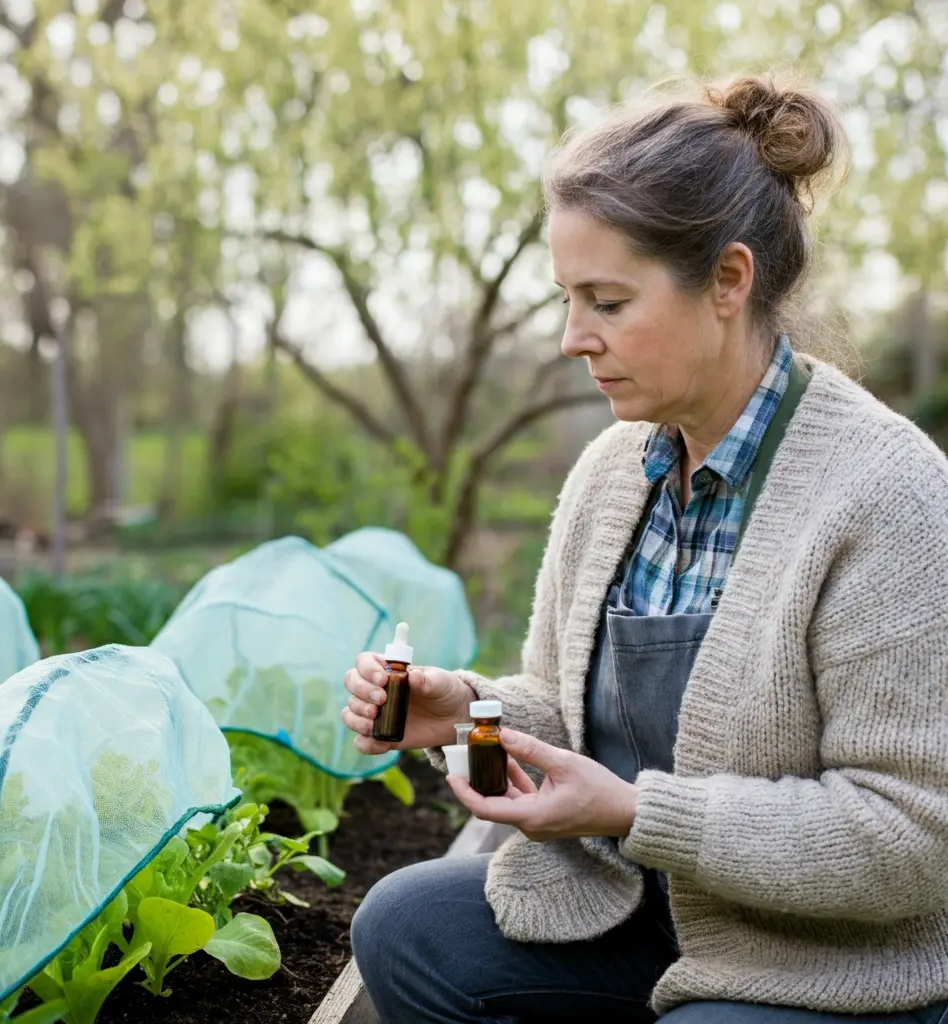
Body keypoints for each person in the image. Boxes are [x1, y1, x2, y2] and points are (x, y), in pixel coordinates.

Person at [340, 75, 948, 1024]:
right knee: (403, 929)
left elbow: (915, 839)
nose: (574, 338)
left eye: (608, 301)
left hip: (825, 962)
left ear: (728, 280)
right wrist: (465, 710)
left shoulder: (887, 495)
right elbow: (570, 714)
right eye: (567, 298)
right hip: (640, 906)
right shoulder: (614, 470)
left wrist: (633, 814)